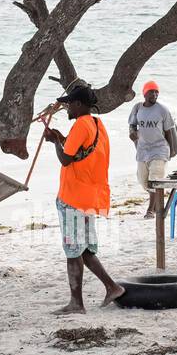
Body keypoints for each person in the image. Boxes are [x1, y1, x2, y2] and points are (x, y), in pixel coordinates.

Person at [43, 84, 124, 313]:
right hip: (91, 196)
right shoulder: (97, 124)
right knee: (85, 249)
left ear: (79, 105)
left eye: (69, 104)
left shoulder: (80, 124)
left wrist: (55, 142)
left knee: (73, 251)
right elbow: (81, 151)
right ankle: (112, 287)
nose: (67, 107)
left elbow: (66, 159)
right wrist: (60, 137)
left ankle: (76, 303)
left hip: (74, 196)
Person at [128, 80, 177, 218]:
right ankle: (157, 201)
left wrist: (170, 150)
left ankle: (151, 210)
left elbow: (169, 131)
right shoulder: (137, 108)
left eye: (157, 92)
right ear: (145, 93)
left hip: (159, 149)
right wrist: (132, 132)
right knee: (143, 180)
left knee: (155, 180)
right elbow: (132, 125)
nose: (155, 94)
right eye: (152, 91)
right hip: (143, 149)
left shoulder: (162, 110)